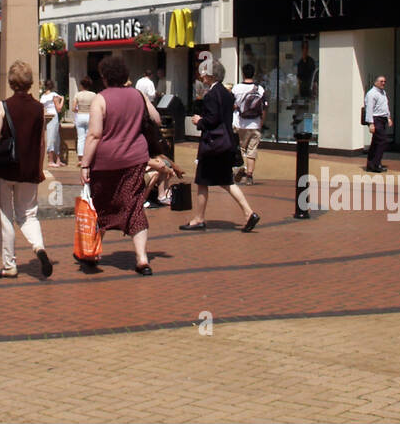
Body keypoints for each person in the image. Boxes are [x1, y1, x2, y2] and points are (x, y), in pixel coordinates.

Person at [80, 55, 159, 274]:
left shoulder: (101, 99)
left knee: (101, 205)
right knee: (133, 204)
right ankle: (142, 258)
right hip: (135, 158)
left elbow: (94, 134)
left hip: (106, 161)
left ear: (105, 77)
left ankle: (93, 252)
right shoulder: (137, 95)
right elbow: (156, 119)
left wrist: (85, 164)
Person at [0, 60, 50, 279]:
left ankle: (9, 264)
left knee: (5, 216)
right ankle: (38, 247)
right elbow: (41, 143)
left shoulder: (3, 106)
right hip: (28, 169)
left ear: (11, 82)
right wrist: (39, 168)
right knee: (29, 214)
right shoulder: (39, 108)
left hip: (5, 168)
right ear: (30, 82)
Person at [179, 60, 260, 233]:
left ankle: (198, 219)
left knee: (202, 181)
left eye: (204, 73)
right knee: (227, 181)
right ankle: (248, 212)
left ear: (211, 75)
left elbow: (212, 120)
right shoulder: (226, 93)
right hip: (226, 143)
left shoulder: (211, 95)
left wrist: (199, 121)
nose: (201, 75)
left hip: (212, 145)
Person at [231, 64, 267, 185]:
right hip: (255, 124)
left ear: (243, 73)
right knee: (252, 150)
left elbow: (231, 105)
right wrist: (261, 122)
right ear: (254, 73)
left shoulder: (236, 88)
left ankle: (241, 168)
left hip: (240, 123)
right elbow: (264, 108)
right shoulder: (260, 89)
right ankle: (250, 176)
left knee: (240, 148)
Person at [364, 74, 392, 173]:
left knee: (376, 142)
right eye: (381, 81)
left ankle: (370, 164)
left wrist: (388, 117)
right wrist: (371, 123)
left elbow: (385, 106)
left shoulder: (383, 92)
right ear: (376, 82)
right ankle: (376, 164)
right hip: (376, 119)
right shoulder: (371, 94)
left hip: (382, 118)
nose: (383, 83)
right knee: (382, 141)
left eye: (384, 81)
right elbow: (369, 109)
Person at [71, 77, 98, 165]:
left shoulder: (78, 94)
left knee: (81, 138)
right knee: (89, 137)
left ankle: (80, 159)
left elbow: (73, 108)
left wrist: (78, 111)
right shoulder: (93, 94)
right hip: (90, 115)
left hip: (80, 116)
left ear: (81, 85)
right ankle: (89, 157)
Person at [38, 79, 64, 167]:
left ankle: (58, 160)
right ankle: (51, 160)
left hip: (47, 117)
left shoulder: (42, 97)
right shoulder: (54, 95)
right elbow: (59, 109)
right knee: (53, 138)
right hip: (54, 117)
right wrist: (63, 100)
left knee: (55, 137)